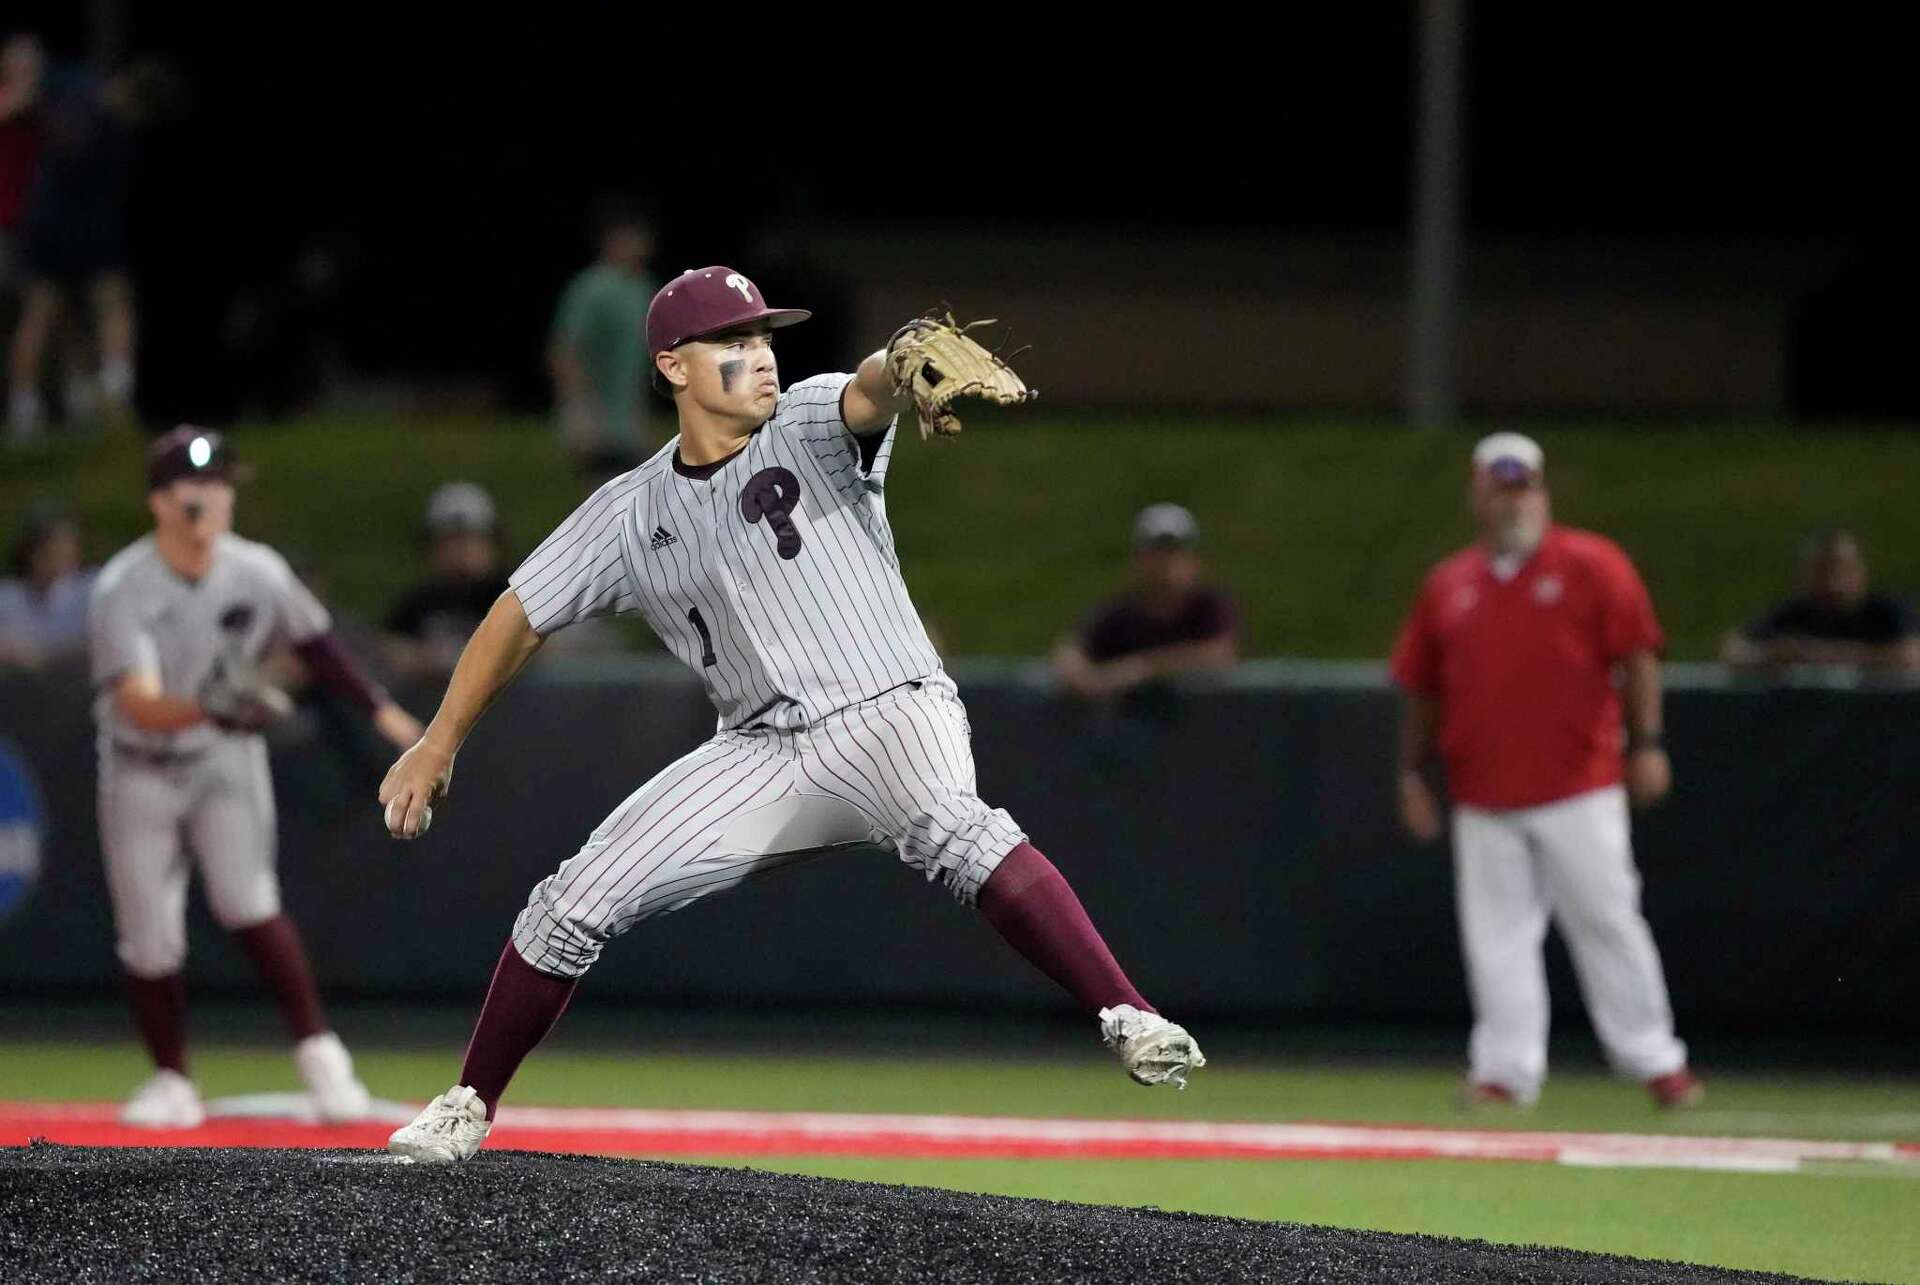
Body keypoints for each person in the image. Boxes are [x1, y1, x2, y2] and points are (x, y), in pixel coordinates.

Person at [379, 267, 1205, 1162]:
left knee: (958, 830)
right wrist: (439, 737)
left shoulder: (806, 422)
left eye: (765, 337)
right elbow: (518, 614)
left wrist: (898, 358)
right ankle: (468, 1102)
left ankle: (1125, 1009)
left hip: (889, 707)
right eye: (734, 343)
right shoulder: (626, 512)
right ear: (672, 366)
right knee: (570, 901)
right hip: (759, 750)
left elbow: (869, 388)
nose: (762, 357)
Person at [89, 427, 425, 1127]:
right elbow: (138, 702)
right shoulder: (125, 585)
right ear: (160, 500)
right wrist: (209, 704)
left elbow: (317, 647)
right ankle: (172, 1079)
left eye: (221, 484)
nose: (213, 497)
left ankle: (326, 1065)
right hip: (141, 766)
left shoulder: (255, 568)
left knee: (250, 903)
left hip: (221, 757)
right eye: (195, 487)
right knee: (150, 934)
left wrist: (385, 714)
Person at [1389, 432, 1700, 1110]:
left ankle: (1656, 1059)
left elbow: (1640, 655)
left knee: (1608, 918)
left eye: (1523, 487)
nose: (1513, 503)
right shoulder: (1450, 583)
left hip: (1578, 784)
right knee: (1496, 937)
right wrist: (1411, 774)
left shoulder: (1593, 564)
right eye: (1500, 490)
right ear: (1477, 495)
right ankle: (1505, 1070)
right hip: (1484, 790)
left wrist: (1647, 741)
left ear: (1543, 490)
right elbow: (1421, 686)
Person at [1052, 503, 1238, 700]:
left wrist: (1141, 669)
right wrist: (1084, 677)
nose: (1165, 562)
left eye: (1174, 552)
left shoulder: (1209, 606)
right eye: (1156, 552)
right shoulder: (1120, 612)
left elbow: (1218, 655)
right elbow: (1071, 651)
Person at [548, 202, 658, 477]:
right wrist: (579, 409)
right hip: (594, 413)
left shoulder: (642, 288)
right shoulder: (592, 287)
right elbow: (564, 350)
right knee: (600, 494)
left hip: (628, 415)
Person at [1720, 528, 1920, 673]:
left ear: (1861, 572)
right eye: (1822, 571)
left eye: (1842, 569)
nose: (1833, 581)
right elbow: (1734, 649)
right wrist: (1772, 655)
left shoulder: (1888, 610)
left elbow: (1910, 656)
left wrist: (1821, 655)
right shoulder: (1795, 612)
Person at [382, 482, 511, 679]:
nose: (460, 549)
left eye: (470, 539)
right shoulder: (420, 601)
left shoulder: (511, 594)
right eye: (450, 541)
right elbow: (387, 647)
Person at [0, 502, 93, 668]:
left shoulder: (92, 588)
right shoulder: (8, 596)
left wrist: (40, 653)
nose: (57, 553)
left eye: (64, 546)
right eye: (48, 548)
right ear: (29, 552)